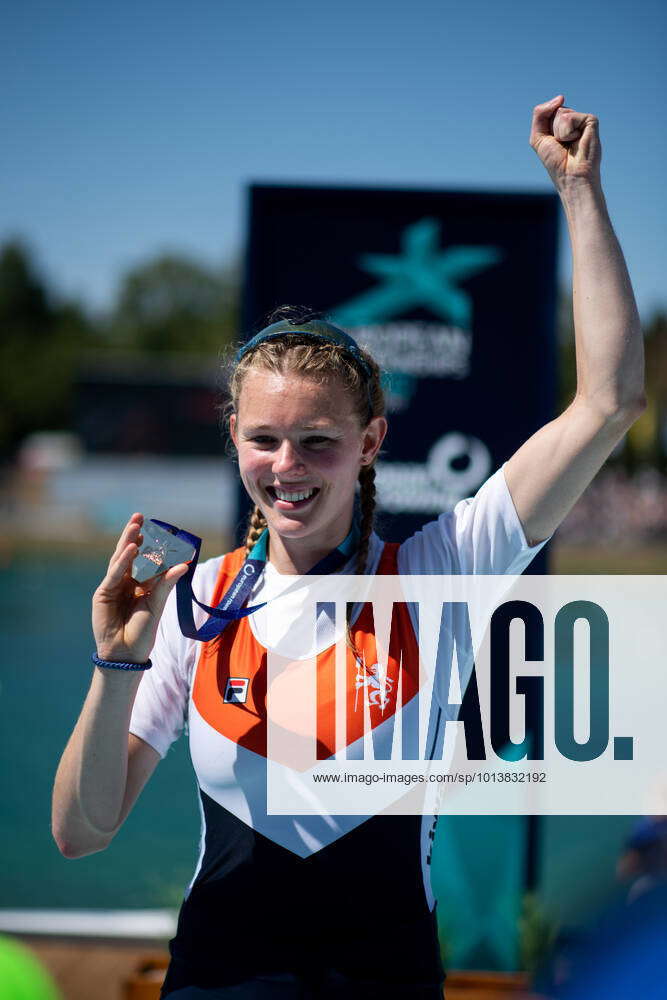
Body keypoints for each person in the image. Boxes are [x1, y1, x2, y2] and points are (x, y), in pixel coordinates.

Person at [52, 95, 645, 999]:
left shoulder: (446, 568)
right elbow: (82, 832)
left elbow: (606, 403)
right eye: (263, 439)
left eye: (318, 441)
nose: (287, 467)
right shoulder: (193, 602)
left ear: (369, 442)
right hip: (220, 983)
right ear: (234, 438)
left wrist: (578, 191)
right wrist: (113, 666)